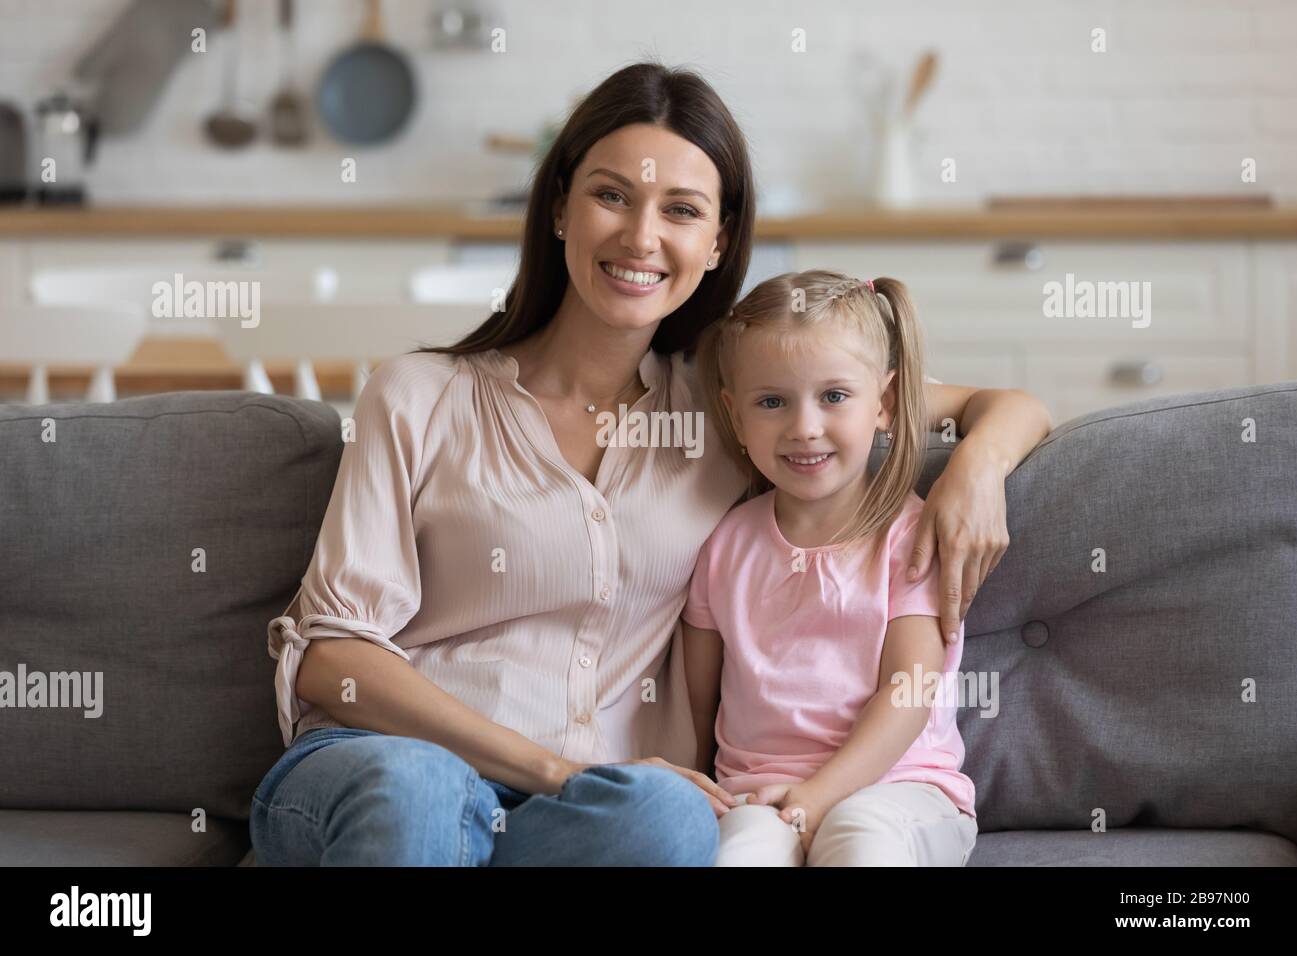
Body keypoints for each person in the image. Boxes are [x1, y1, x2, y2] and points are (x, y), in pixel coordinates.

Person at [249, 62, 1051, 866]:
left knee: (666, 818)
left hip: (579, 819)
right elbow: (329, 657)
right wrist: (556, 769)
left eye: (681, 210)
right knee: (419, 792)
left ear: (717, 242)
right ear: (560, 207)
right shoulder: (419, 395)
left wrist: (978, 467)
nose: (641, 237)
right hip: (386, 769)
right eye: (611, 196)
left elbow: (995, 405)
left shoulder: (738, 406)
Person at [685, 270, 980, 866]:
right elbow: (695, 702)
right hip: (757, 795)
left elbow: (911, 688)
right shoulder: (724, 545)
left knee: (862, 840)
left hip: (901, 788)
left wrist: (817, 797)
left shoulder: (908, 537)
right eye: (771, 402)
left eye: (834, 396)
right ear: (735, 416)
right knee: (739, 855)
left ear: (885, 403)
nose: (804, 427)